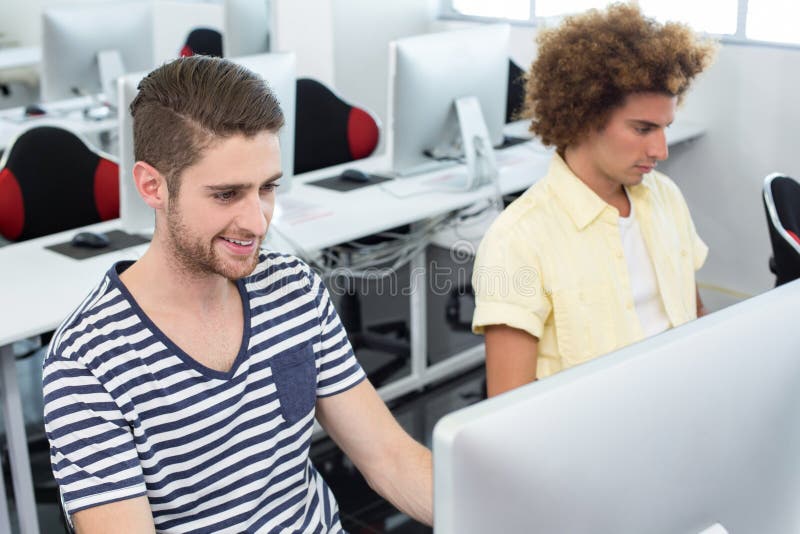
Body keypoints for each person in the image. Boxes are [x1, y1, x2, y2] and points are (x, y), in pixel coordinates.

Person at [43, 56, 432, 533]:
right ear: (152, 186)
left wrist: (494, 511)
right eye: (226, 194)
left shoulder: (294, 288)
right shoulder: (87, 362)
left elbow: (391, 459)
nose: (258, 221)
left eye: (266, 188)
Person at [472, 3, 717, 397]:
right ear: (584, 117)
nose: (660, 150)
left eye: (665, 128)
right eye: (642, 129)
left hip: (682, 413)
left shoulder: (666, 198)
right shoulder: (517, 241)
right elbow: (505, 411)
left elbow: (694, 315)